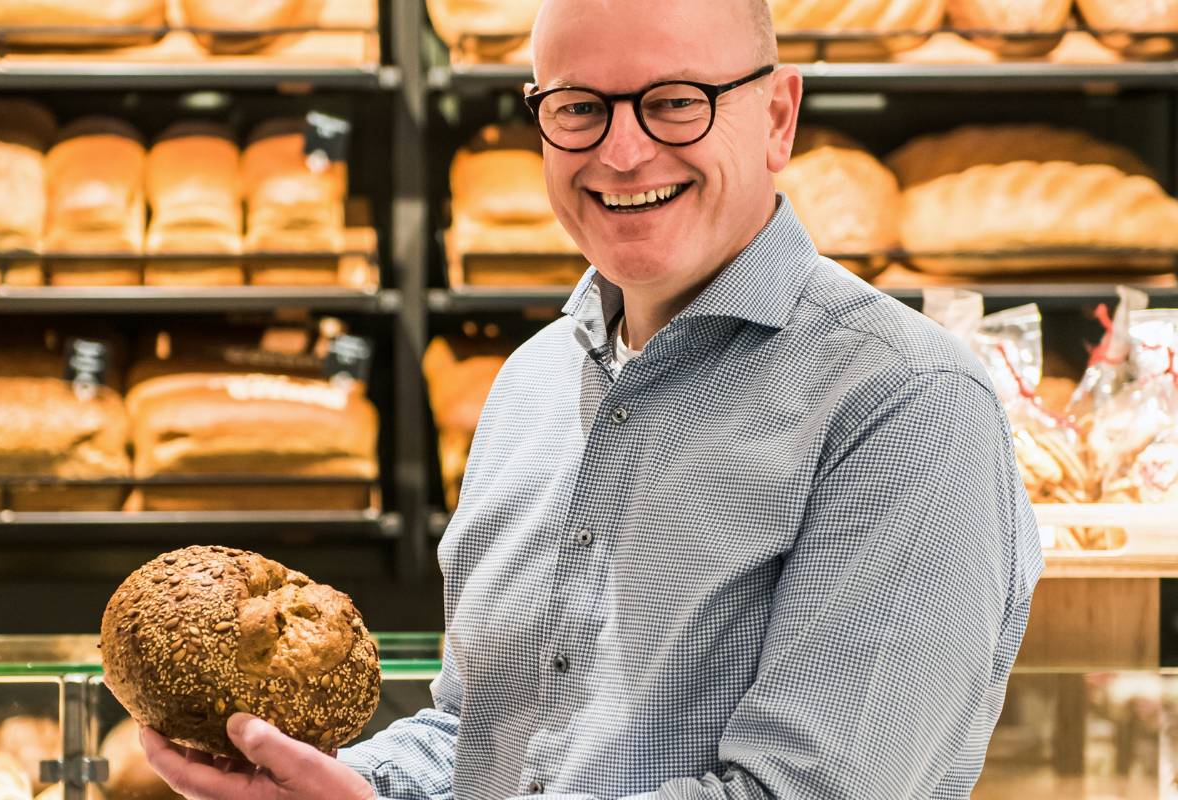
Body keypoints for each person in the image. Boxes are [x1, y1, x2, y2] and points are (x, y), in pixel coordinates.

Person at [141, 0, 1044, 797]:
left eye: (676, 101)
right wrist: (352, 785)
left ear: (777, 117)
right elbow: (480, 740)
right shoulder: (532, 383)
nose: (621, 150)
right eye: (578, 107)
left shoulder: (906, 407)